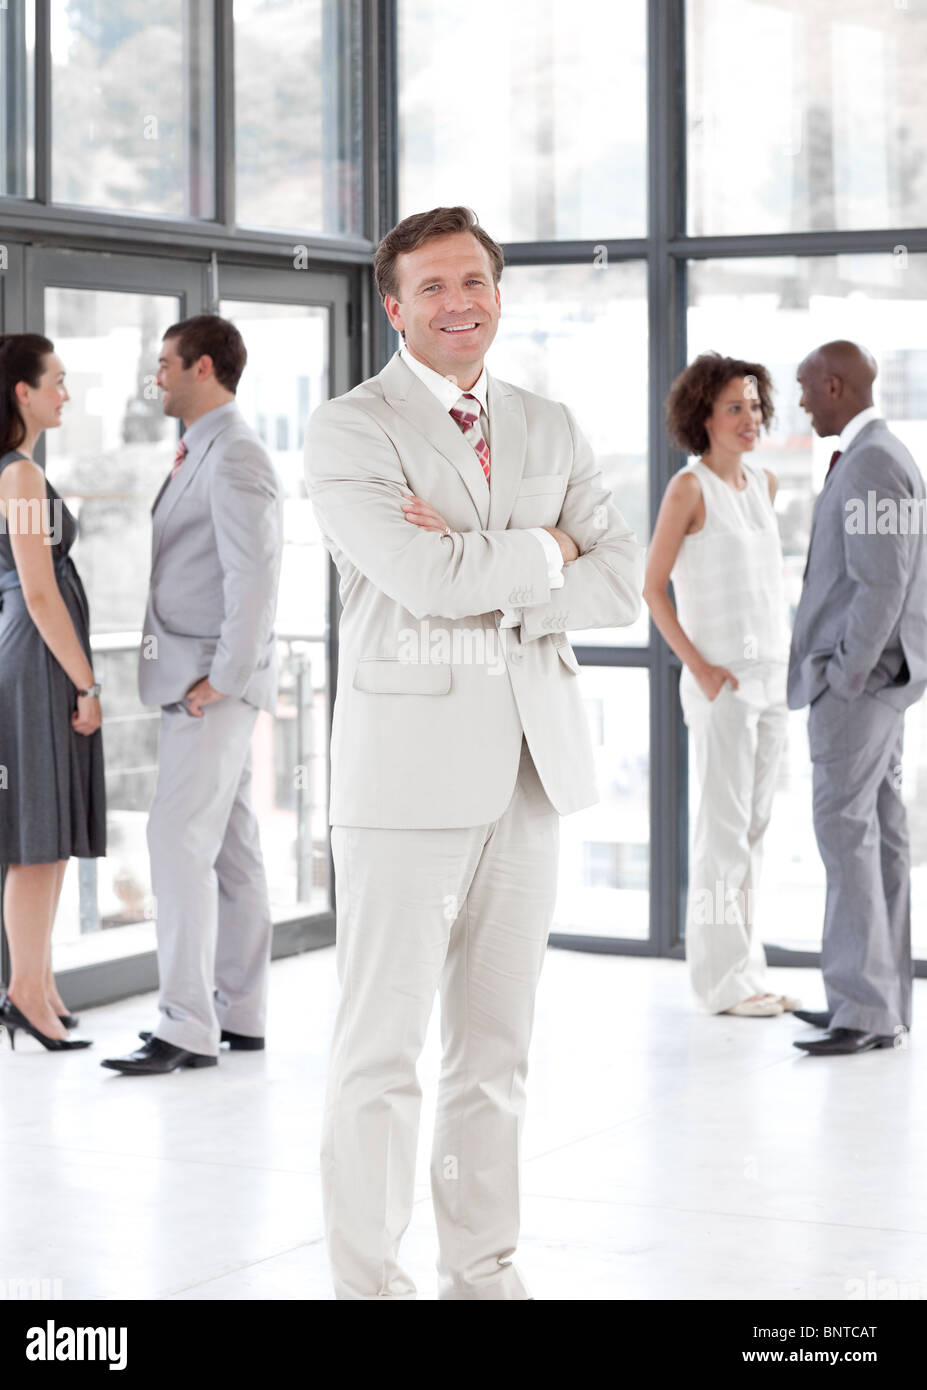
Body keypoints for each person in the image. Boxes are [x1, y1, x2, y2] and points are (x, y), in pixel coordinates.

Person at [304, 205, 643, 1300]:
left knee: (494, 1056)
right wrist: (548, 548)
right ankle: (370, 1285)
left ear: (500, 294)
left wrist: (496, 559)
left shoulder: (549, 423)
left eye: (476, 282)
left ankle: (484, 1275)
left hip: (530, 776)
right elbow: (424, 582)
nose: (460, 303)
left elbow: (621, 574)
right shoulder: (351, 430)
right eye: (434, 287)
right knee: (380, 1058)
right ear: (394, 307)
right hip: (403, 783)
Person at [102, 316, 283, 1076]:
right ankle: (239, 1013)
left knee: (174, 843)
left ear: (202, 367)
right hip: (203, 681)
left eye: (165, 364)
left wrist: (225, 678)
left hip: (210, 688)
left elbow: (256, 576)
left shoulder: (235, 453)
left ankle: (185, 1026)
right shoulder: (203, 448)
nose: (157, 377)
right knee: (233, 851)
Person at [644, 353, 797, 1018]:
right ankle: (718, 982)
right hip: (722, 688)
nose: (749, 418)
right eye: (734, 407)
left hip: (772, 683)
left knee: (754, 829)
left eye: (755, 405)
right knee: (722, 832)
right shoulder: (689, 489)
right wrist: (700, 669)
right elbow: (651, 589)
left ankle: (747, 971)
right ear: (702, 417)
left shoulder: (762, 484)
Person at [789, 340, 927, 1057]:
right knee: (878, 841)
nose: (801, 402)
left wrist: (844, 674)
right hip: (880, 685)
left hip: (859, 688)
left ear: (834, 385)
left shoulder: (872, 460)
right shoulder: (878, 452)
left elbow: (882, 583)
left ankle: (860, 1008)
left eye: (806, 389)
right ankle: (877, 1006)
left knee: (846, 840)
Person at [0, 334, 104, 1052]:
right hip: (33, 660)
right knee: (35, 838)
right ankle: (25, 993)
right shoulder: (18, 476)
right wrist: (88, 681)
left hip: (17, 654)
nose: (65, 393)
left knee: (44, 834)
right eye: (56, 380)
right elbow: (38, 591)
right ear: (22, 391)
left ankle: (39, 984)